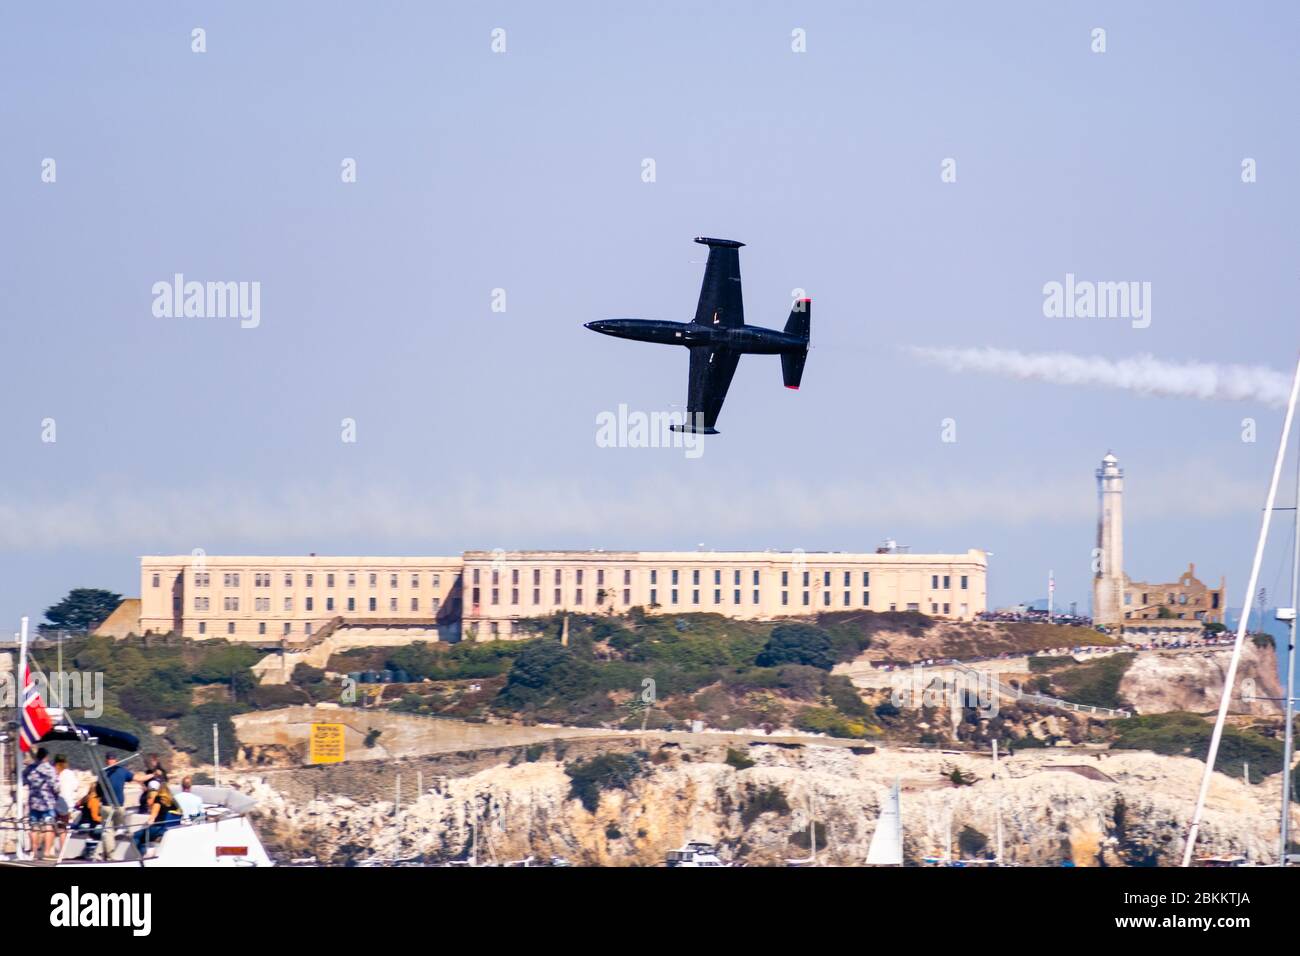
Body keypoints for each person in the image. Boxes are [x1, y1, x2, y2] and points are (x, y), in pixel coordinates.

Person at [95, 753, 139, 860]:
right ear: (116, 760)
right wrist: (151, 776)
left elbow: (98, 791)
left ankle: (102, 854)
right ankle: (104, 854)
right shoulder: (122, 771)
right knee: (110, 831)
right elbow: (137, 778)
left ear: (107, 761)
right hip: (119, 807)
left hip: (107, 806)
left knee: (108, 831)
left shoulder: (103, 773)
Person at [22, 748, 59, 860]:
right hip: (47, 802)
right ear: (46, 756)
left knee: (34, 827)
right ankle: (46, 853)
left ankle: (34, 852)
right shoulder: (49, 769)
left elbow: (24, 780)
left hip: (33, 802)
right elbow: (55, 786)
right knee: (49, 826)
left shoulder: (30, 768)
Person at [133, 777, 182, 855]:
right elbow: (180, 813)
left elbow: (153, 816)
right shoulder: (173, 802)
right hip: (169, 829)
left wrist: (149, 821)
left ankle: (143, 855)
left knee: (135, 836)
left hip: (158, 828)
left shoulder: (158, 799)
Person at [53, 754, 79, 852]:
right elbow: (76, 786)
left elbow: (55, 788)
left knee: (58, 828)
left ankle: (57, 851)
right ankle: (62, 852)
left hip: (59, 805)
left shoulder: (58, 775)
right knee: (64, 828)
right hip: (69, 805)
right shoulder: (70, 773)